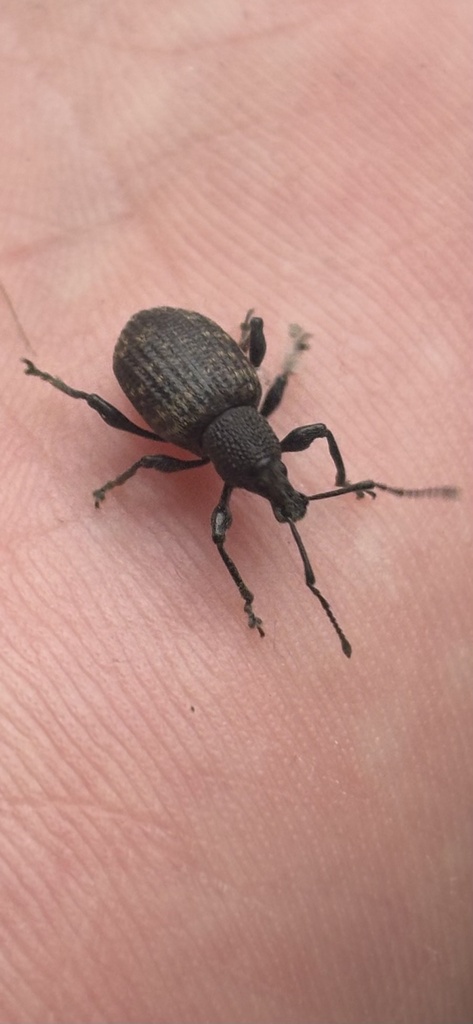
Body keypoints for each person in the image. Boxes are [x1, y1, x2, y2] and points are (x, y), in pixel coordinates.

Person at [1, 1, 471, 1020]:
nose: (281, 489)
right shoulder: (210, 452)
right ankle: (49, 379)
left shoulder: (263, 445)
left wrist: (339, 463)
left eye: (280, 484)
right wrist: (151, 484)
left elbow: (301, 464)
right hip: (164, 361)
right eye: (276, 484)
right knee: (126, 447)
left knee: (195, 481)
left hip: (197, 373)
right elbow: (224, 504)